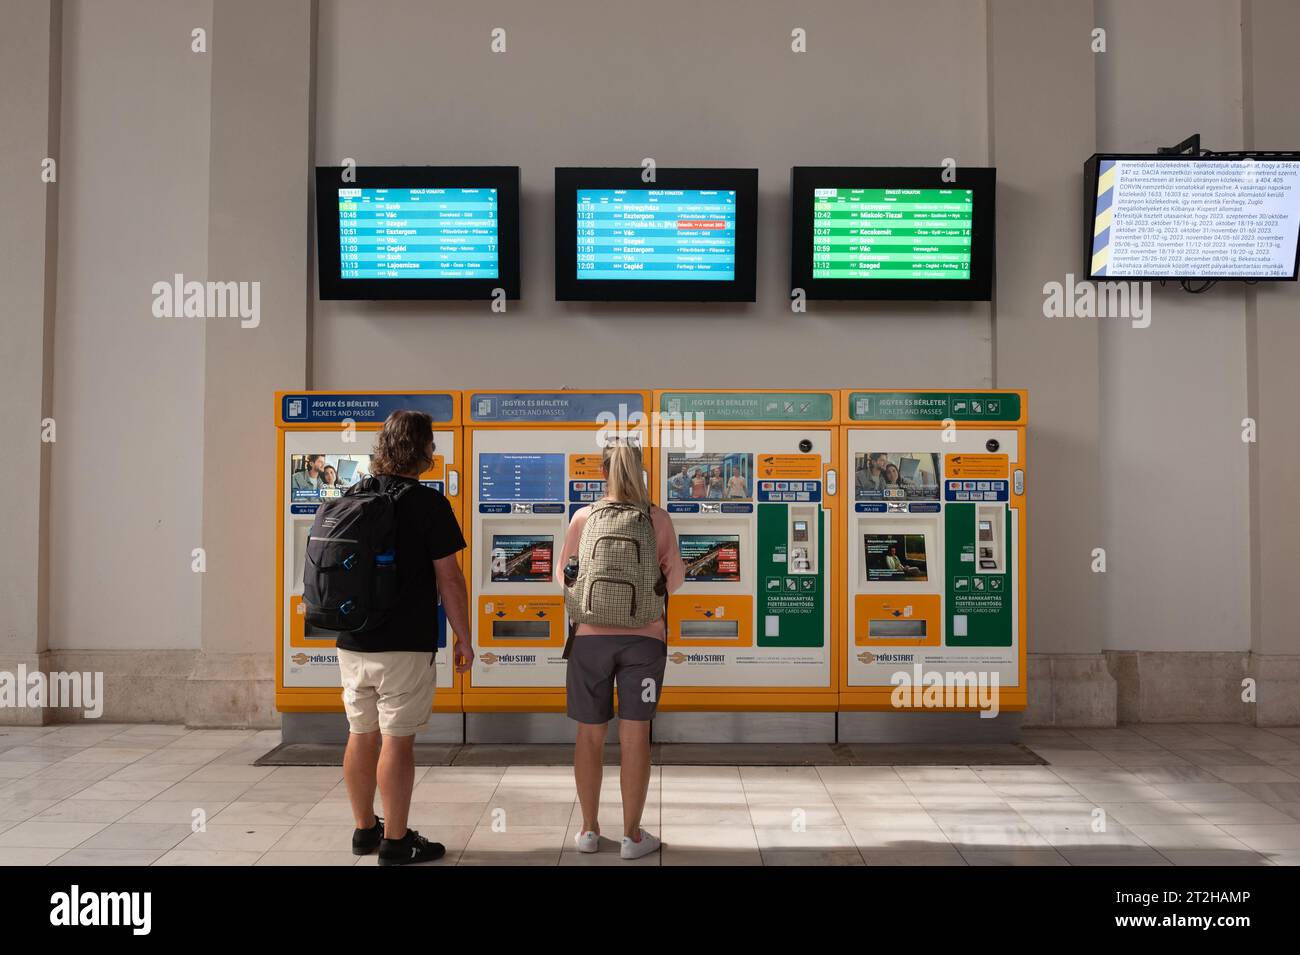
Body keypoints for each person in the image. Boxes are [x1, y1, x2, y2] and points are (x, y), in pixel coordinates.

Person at [336, 410, 473, 866]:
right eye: (431, 444)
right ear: (423, 451)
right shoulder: (427, 503)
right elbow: (450, 579)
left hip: (352, 641)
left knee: (360, 733)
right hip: (405, 643)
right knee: (397, 739)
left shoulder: (352, 495)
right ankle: (396, 842)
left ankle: (364, 831)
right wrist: (464, 637)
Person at [559, 440, 685, 860]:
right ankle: (632, 837)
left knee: (589, 735)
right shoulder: (656, 519)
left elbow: (564, 577)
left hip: (589, 642)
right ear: (641, 473)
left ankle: (589, 831)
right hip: (644, 641)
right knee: (635, 736)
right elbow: (676, 580)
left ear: (601, 473)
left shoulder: (584, 516)